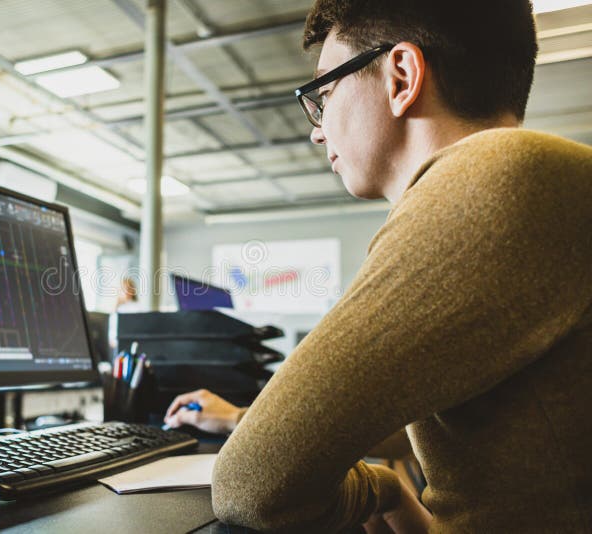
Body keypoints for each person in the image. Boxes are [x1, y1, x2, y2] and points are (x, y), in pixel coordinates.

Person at [164, 1, 592, 532]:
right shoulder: (536, 182)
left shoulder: (493, 181)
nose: (317, 132)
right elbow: (432, 417)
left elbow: (249, 486)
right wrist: (383, 484)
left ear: (402, 77)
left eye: (324, 93)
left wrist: (368, 489)